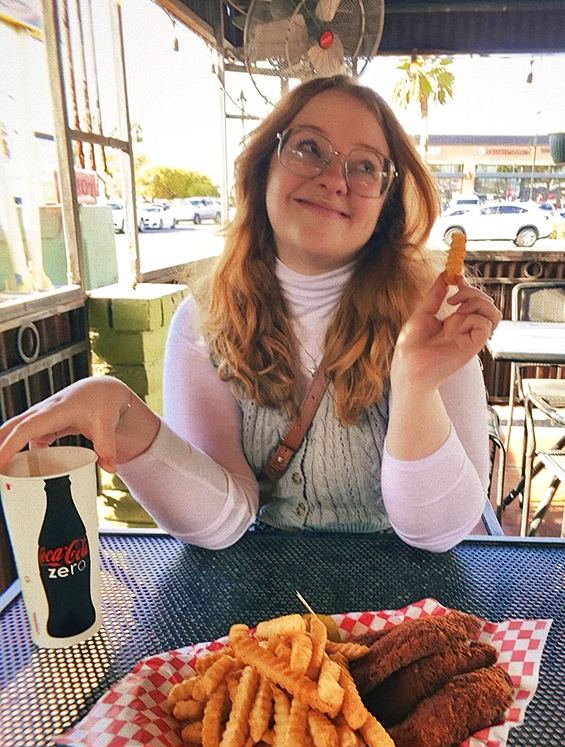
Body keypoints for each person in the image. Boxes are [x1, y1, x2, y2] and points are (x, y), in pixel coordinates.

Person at [0, 75, 500, 552]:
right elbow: (228, 519)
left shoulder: (437, 320)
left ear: (386, 204)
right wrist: (125, 421)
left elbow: (440, 533)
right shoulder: (204, 321)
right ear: (264, 168)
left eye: (366, 166)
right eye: (309, 148)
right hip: (260, 611)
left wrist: (415, 385)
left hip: (412, 611)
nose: (334, 179)